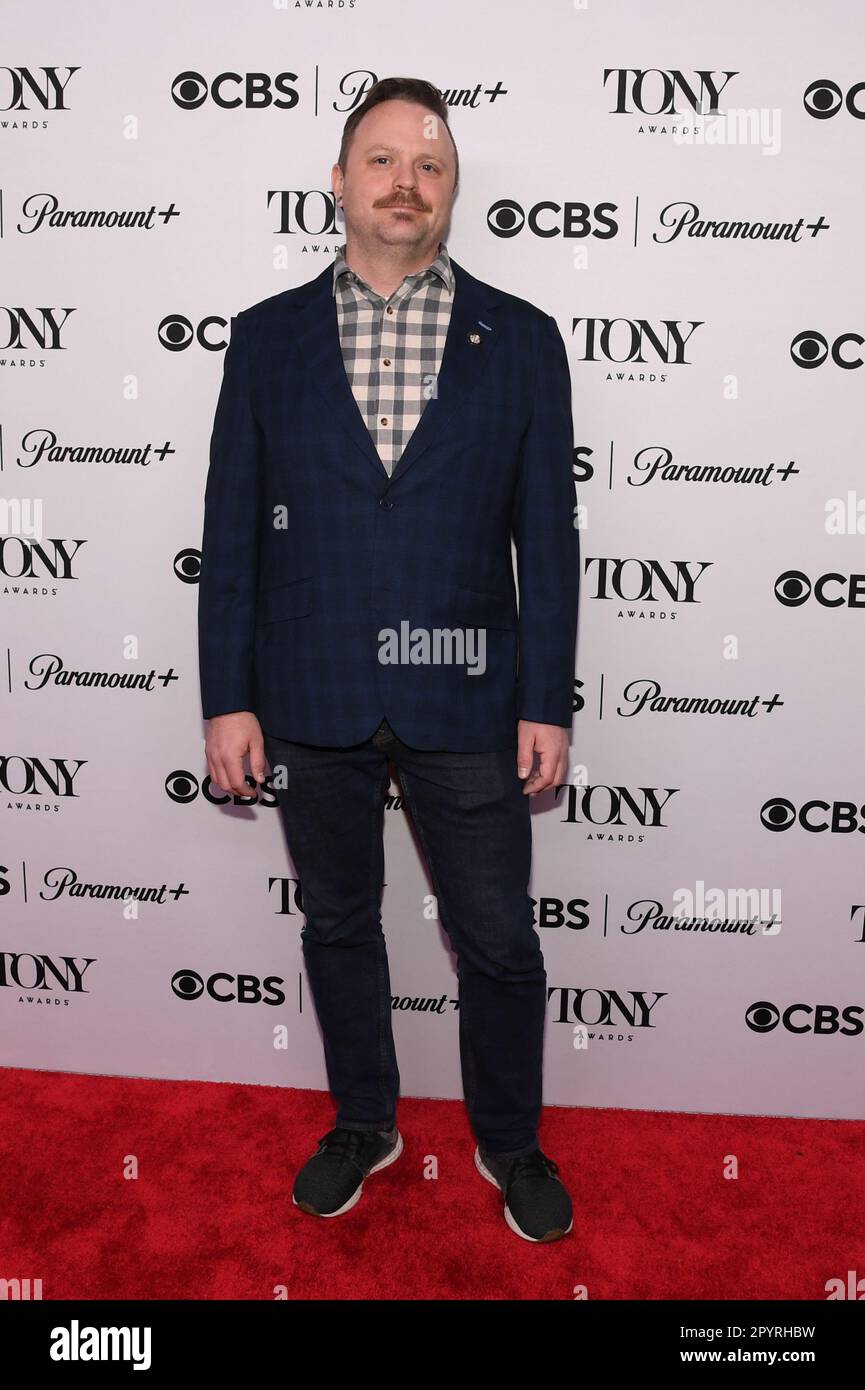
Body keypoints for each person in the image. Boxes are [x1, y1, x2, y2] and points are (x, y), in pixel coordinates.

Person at [198, 76, 580, 1243]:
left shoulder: (520, 338)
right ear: (339, 180)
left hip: (466, 690)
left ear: (451, 191)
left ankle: (508, 1139)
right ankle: (364, 1120)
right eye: (381, 160)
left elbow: (548, 542)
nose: (405, 181)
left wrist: (547, 700)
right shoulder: (265, 340)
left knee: (501, 942)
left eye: (430, 164)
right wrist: (228, 700)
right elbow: (228, 532)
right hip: (306, 692)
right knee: (337, 925)